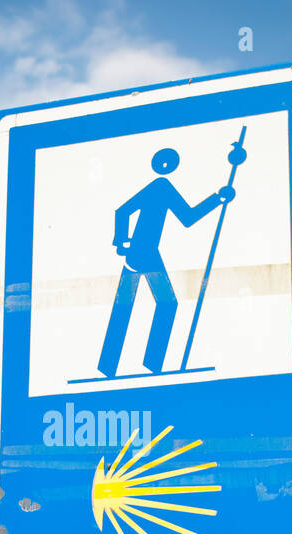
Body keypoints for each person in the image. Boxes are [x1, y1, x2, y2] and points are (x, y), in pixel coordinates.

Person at [97, 148, 234, 378]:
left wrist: (217, 199)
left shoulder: (161, 188)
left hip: (146, 254)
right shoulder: (160, 187)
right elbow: (123, 211)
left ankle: (117, 366)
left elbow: (186, 218)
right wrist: (120, 241)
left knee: (135, 307)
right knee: (161, 304)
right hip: (143, 254)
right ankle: (144, 364)